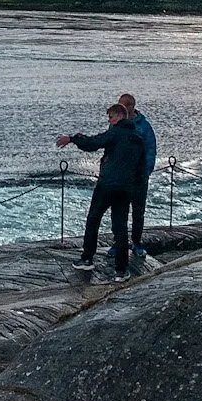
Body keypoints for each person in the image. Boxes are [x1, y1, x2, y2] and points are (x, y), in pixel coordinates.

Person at [56, 102, 148, 278]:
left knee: (93, 219)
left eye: (111, 117)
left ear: (120, 116)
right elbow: (142, 167)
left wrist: (73, 138)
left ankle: (87, 259)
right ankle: (121, 270)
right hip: (126, 188)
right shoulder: (138, 137)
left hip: (107, 185)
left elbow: (94, 143)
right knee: (120, 227)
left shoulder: (115, 133)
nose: (109, 120)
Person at [116, 92, 157, 259]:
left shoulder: (144, 127)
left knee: (138, 212)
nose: (120, 109)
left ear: (132, 107)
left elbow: (150, 151)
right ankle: (119, 244)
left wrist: (144, 173)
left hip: (139, 178)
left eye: (123, 106)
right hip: (121, 177)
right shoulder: (116, 124)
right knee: (120, 212)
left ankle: (137, 243)